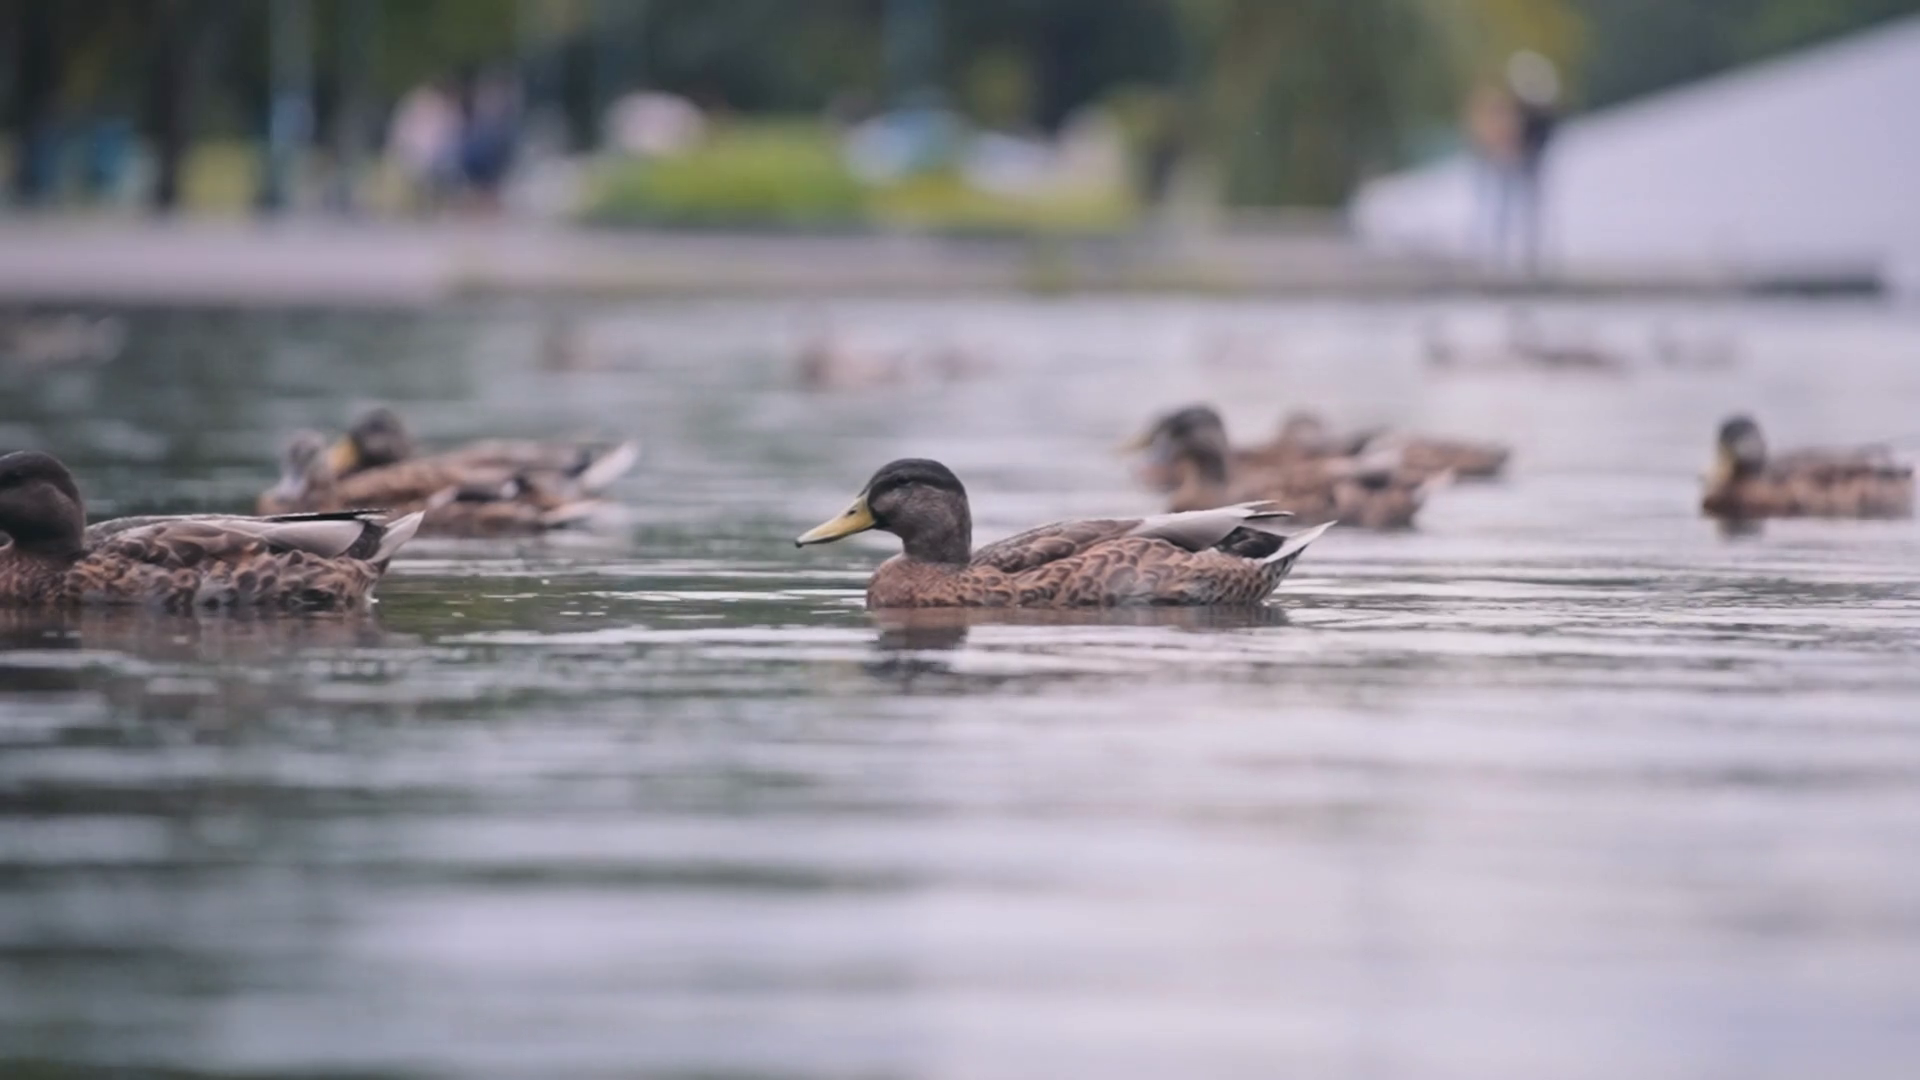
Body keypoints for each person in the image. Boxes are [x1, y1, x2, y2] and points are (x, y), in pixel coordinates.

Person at [387, 80, 460, 213]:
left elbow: (452, 137)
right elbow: (400, 137)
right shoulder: (413, 109)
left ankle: (431, 202)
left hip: (436, 160)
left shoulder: (442, 109)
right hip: (416, 158)